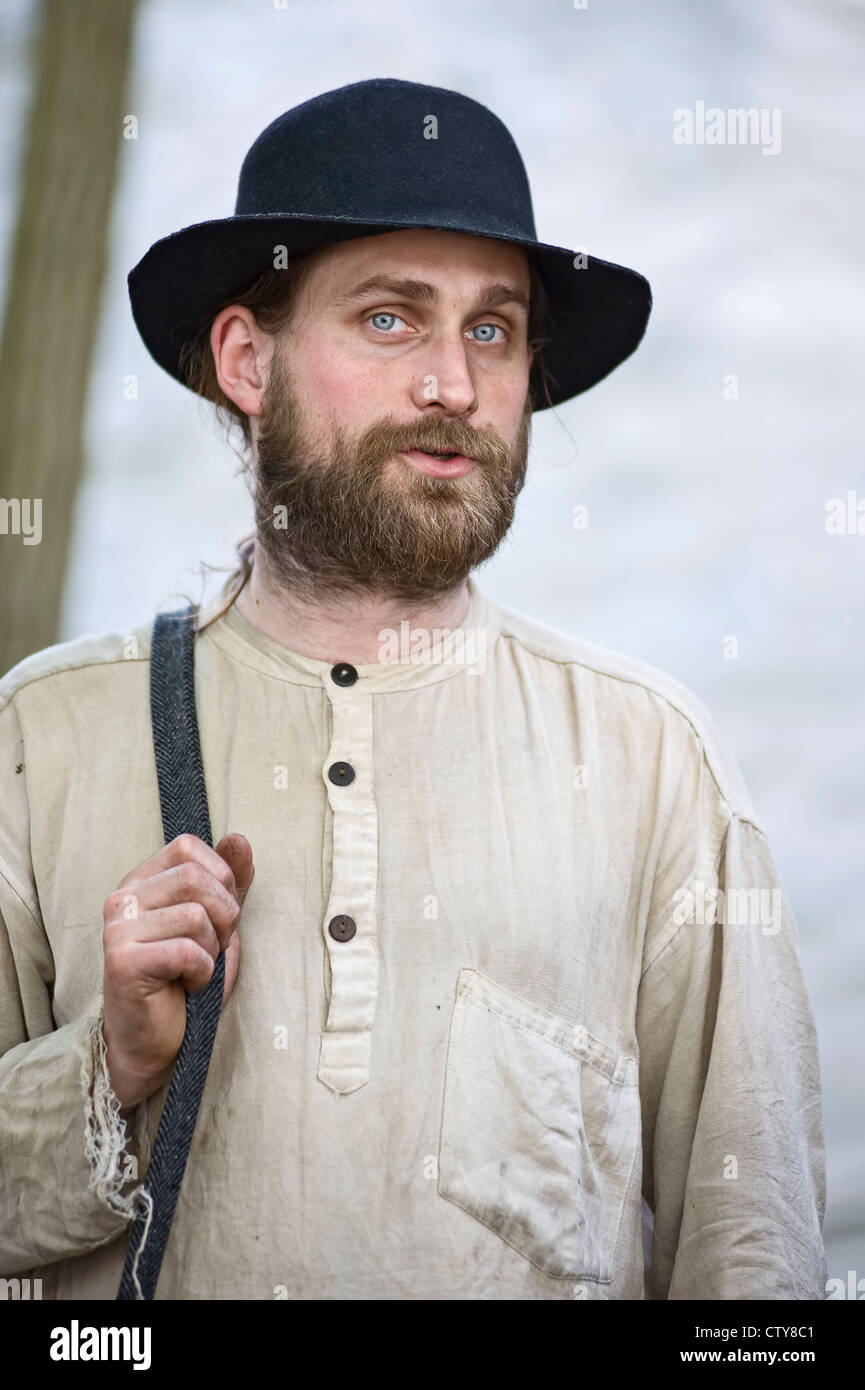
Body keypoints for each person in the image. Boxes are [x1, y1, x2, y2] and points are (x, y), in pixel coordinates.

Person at [0, 78, 826, 1300]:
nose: (454, 384)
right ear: (246, 357)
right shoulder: (39, 742)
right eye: (391, 320)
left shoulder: (656, 766)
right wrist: (107, 1068)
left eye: (491, 330)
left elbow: (754, 1271)